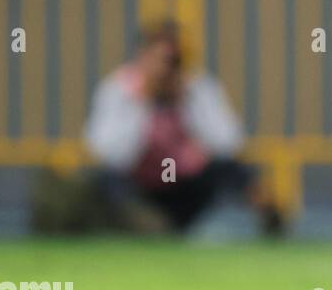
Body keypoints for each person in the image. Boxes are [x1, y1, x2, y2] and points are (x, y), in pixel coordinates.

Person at [83, 19, 283, 235]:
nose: (165, 70)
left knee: (232, 171)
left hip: (184, 185)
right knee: (105, 181)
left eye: (173, 61)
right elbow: (110, 155)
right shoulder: (118, 89)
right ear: (142, 58)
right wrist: (142, 103)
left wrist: (188, 104)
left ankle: (271, 221)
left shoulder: (197, 87)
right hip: (139, 187)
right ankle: (149, 226)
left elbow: (229, 143)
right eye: (159, 60)